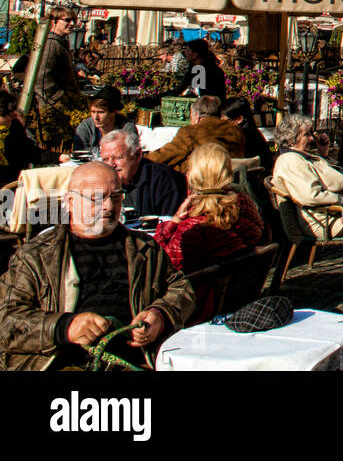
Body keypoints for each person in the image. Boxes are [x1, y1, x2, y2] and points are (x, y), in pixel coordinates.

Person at [0, 162, 195, 370]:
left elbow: (181, 289)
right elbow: (6, 320)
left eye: (116, 197)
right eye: (96, 198)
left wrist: (160, 315)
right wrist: (64, 328)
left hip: (133, 361)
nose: (109, 206)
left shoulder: (144, 249)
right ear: (70, 201)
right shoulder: (37, 255)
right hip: (61, 364)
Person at [154, 143, 265, 273]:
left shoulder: (192, 228)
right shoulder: (244, 205)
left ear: (191, 176)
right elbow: (257, 235)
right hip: (238, 287)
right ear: (228, 173)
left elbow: (158, 263)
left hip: (201, 290)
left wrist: (174, 221)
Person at [271, 114, 343, 241]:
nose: (312, 139)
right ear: (292, 139)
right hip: (323, 221)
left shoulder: (302, 157)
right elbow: (311, 195)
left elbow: (329, 178)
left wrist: (323, 154)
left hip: (334, 213)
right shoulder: (290, 161)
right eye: (306, 135)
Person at [101, 128, 186, 218]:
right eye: (105, 160)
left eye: (118, 157)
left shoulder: (164, 180)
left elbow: (171, 223)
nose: (111, 165)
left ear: (137, 155)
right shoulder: (101, 182)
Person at [147, 95, 246, 172]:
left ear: (197, 116)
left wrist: (141, 159)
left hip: (201, 183)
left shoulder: (192, 132)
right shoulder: (236, 131)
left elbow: (166, 155)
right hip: (229, 179)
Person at [33, 6, 82, 110]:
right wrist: (61, 97)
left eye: (73, 20)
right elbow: (41, 78)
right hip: (53, 107)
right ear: (54, 21)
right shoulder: (51, 44)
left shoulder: (59, 43)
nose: (72, 24)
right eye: (67, 20)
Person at [0, 91, 54, 183]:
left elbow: (29, 152)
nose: (14, 115)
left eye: (14, 109)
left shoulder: (14, 126)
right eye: (9, 112)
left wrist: (59, 157)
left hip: (15, 185)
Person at [73, 85, 137, 153]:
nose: (96, 117)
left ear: (114, 112)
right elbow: (79, 153)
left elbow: (130, 155)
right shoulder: (86, 127)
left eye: (101, 112)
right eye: (93, 112)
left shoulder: (126, 129)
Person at [221, 96, 273, 171]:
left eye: (225, 122)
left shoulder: (240, 138)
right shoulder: (254, 134)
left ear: (239, 119)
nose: (222, 125)